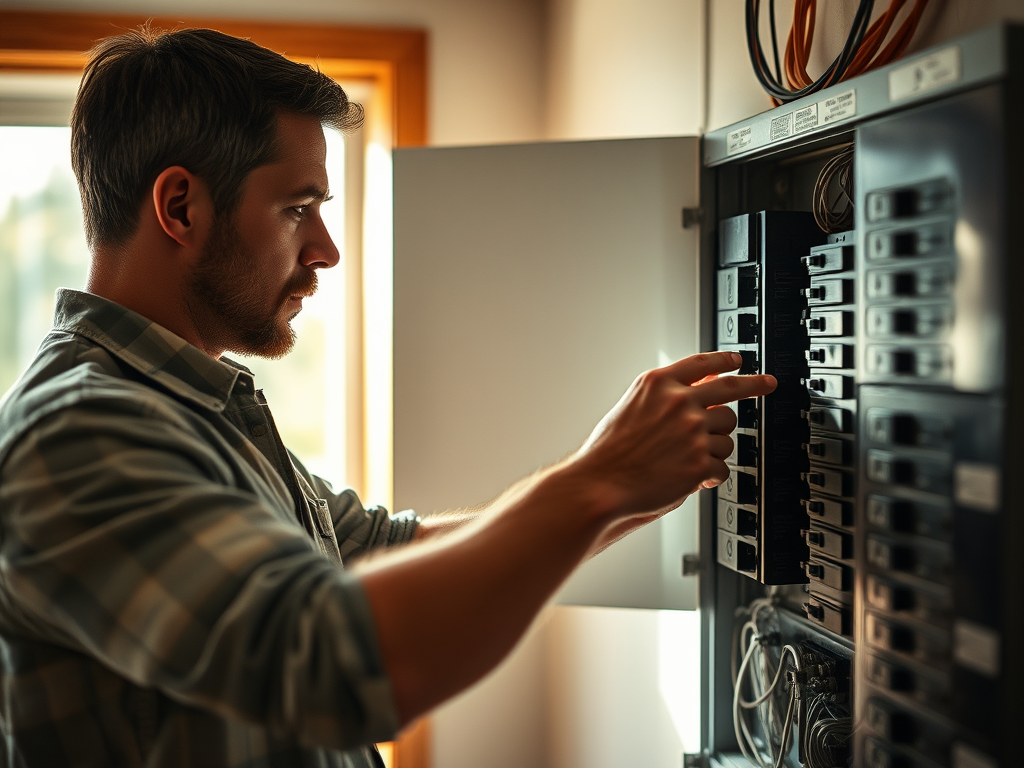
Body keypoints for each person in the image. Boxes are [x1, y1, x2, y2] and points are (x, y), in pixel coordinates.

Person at [0, 26, 776, 768]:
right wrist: (597, 481)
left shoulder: (189, 405)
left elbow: (380, 553)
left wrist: (625, 483)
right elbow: (329, 663)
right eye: (297, 209)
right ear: (180, 208)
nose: (326, 250)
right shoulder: (81, 429)